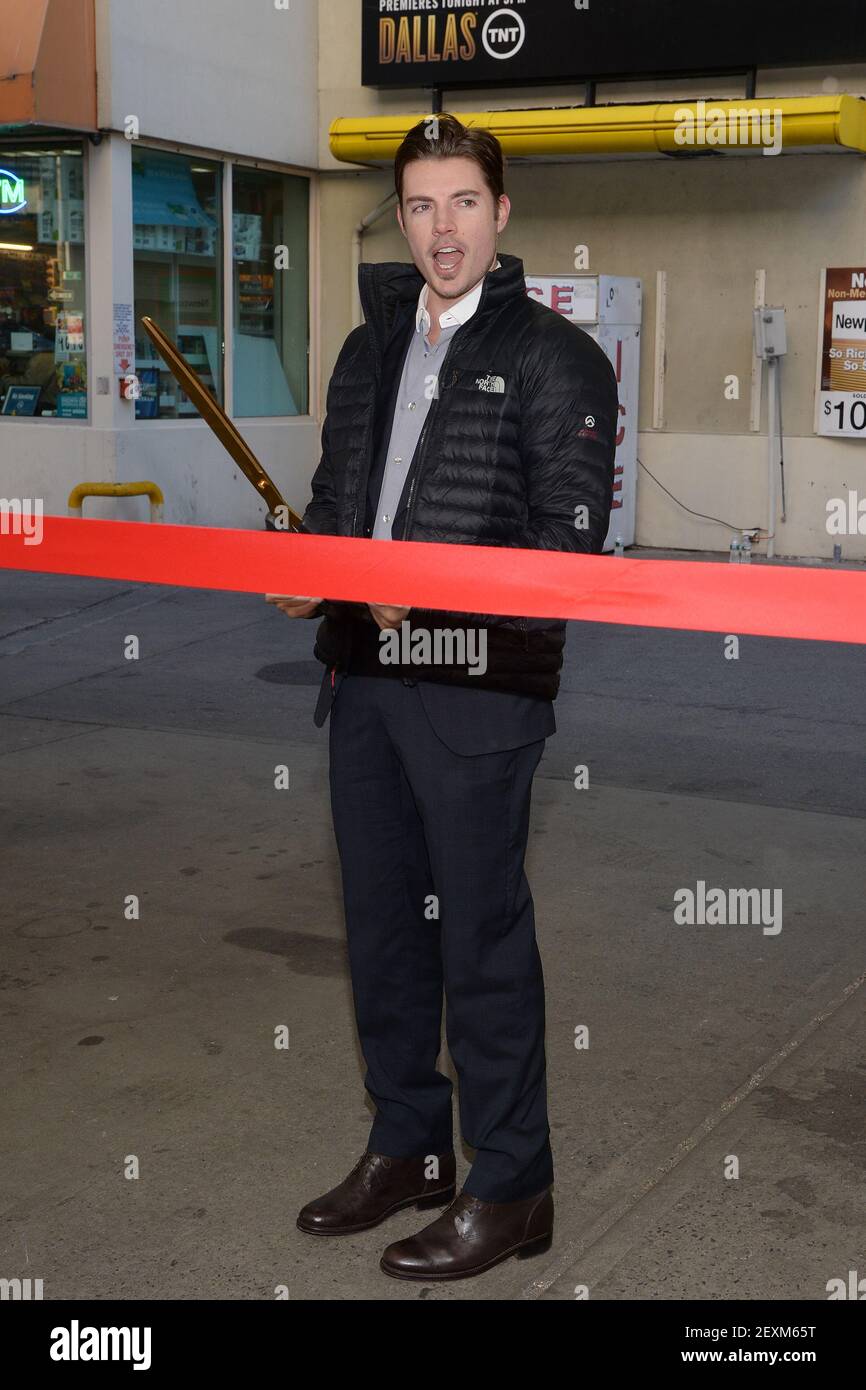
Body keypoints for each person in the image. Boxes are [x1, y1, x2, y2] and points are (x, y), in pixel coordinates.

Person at [268, 113, 618, 1281]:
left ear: (500, 213)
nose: (440, 228)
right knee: (382, 938)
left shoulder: (558, 361)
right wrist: (308, 573)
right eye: (418, 205)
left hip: (475, 696)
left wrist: (440, 601)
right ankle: (410, 1152)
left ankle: (511, 1186)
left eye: (461, 201)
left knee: (478, 943)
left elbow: (565, 547)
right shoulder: (366, 353)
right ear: (400, 217)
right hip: (364, 685)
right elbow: (338, 505)